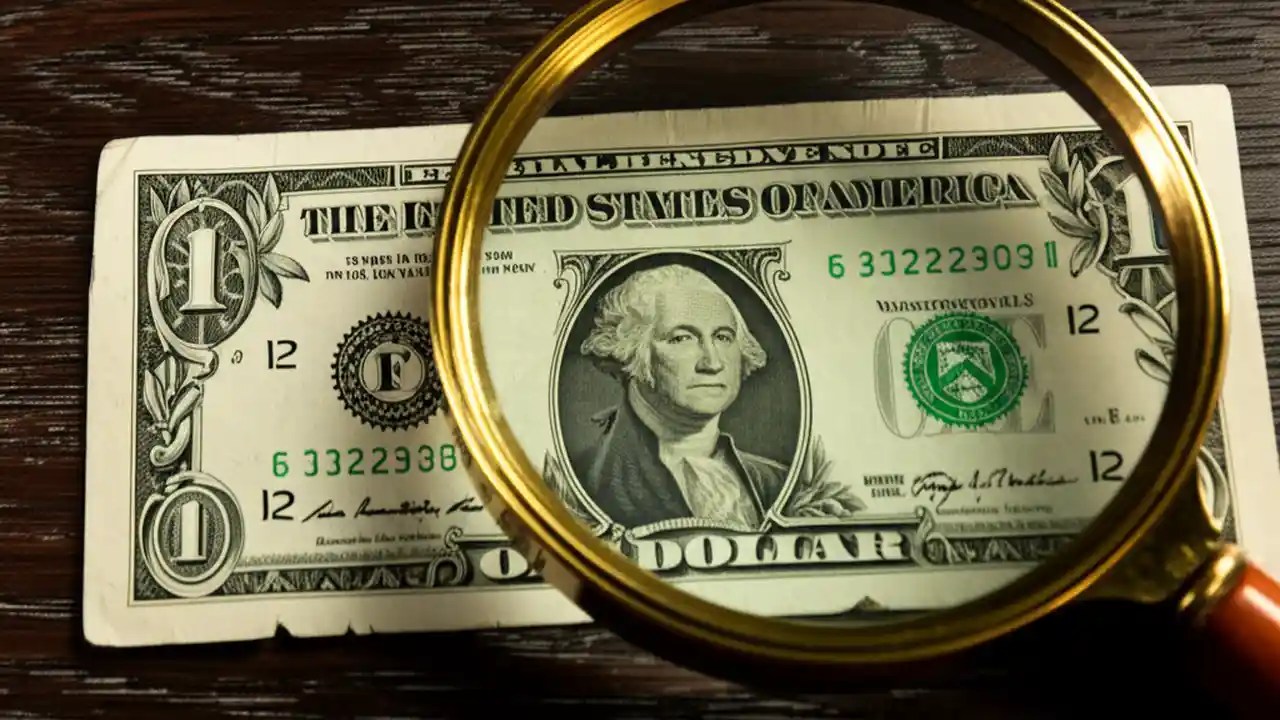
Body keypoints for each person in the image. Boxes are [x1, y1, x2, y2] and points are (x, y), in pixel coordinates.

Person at [570, 263, 790, 531]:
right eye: (682, 338)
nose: (712, 362)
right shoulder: (581, 483)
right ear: (629, 351)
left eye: (723, 337)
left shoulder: (779, 482)